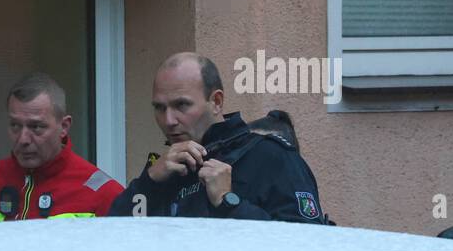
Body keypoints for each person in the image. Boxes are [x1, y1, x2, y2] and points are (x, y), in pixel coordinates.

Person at [108, 53, 328, 222]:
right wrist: (149, 182)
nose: (169, 120)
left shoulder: (269, 157)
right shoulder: (166, 171)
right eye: (159, 108)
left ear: (216, 102)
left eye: (181, 105)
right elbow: (117, 236)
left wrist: (228, 202)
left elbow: (306, 245)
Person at [0, 72, 122, 223]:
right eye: (15, 125)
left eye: (36, 127)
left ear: (64, 127)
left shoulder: (103, 193)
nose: (23, 139)